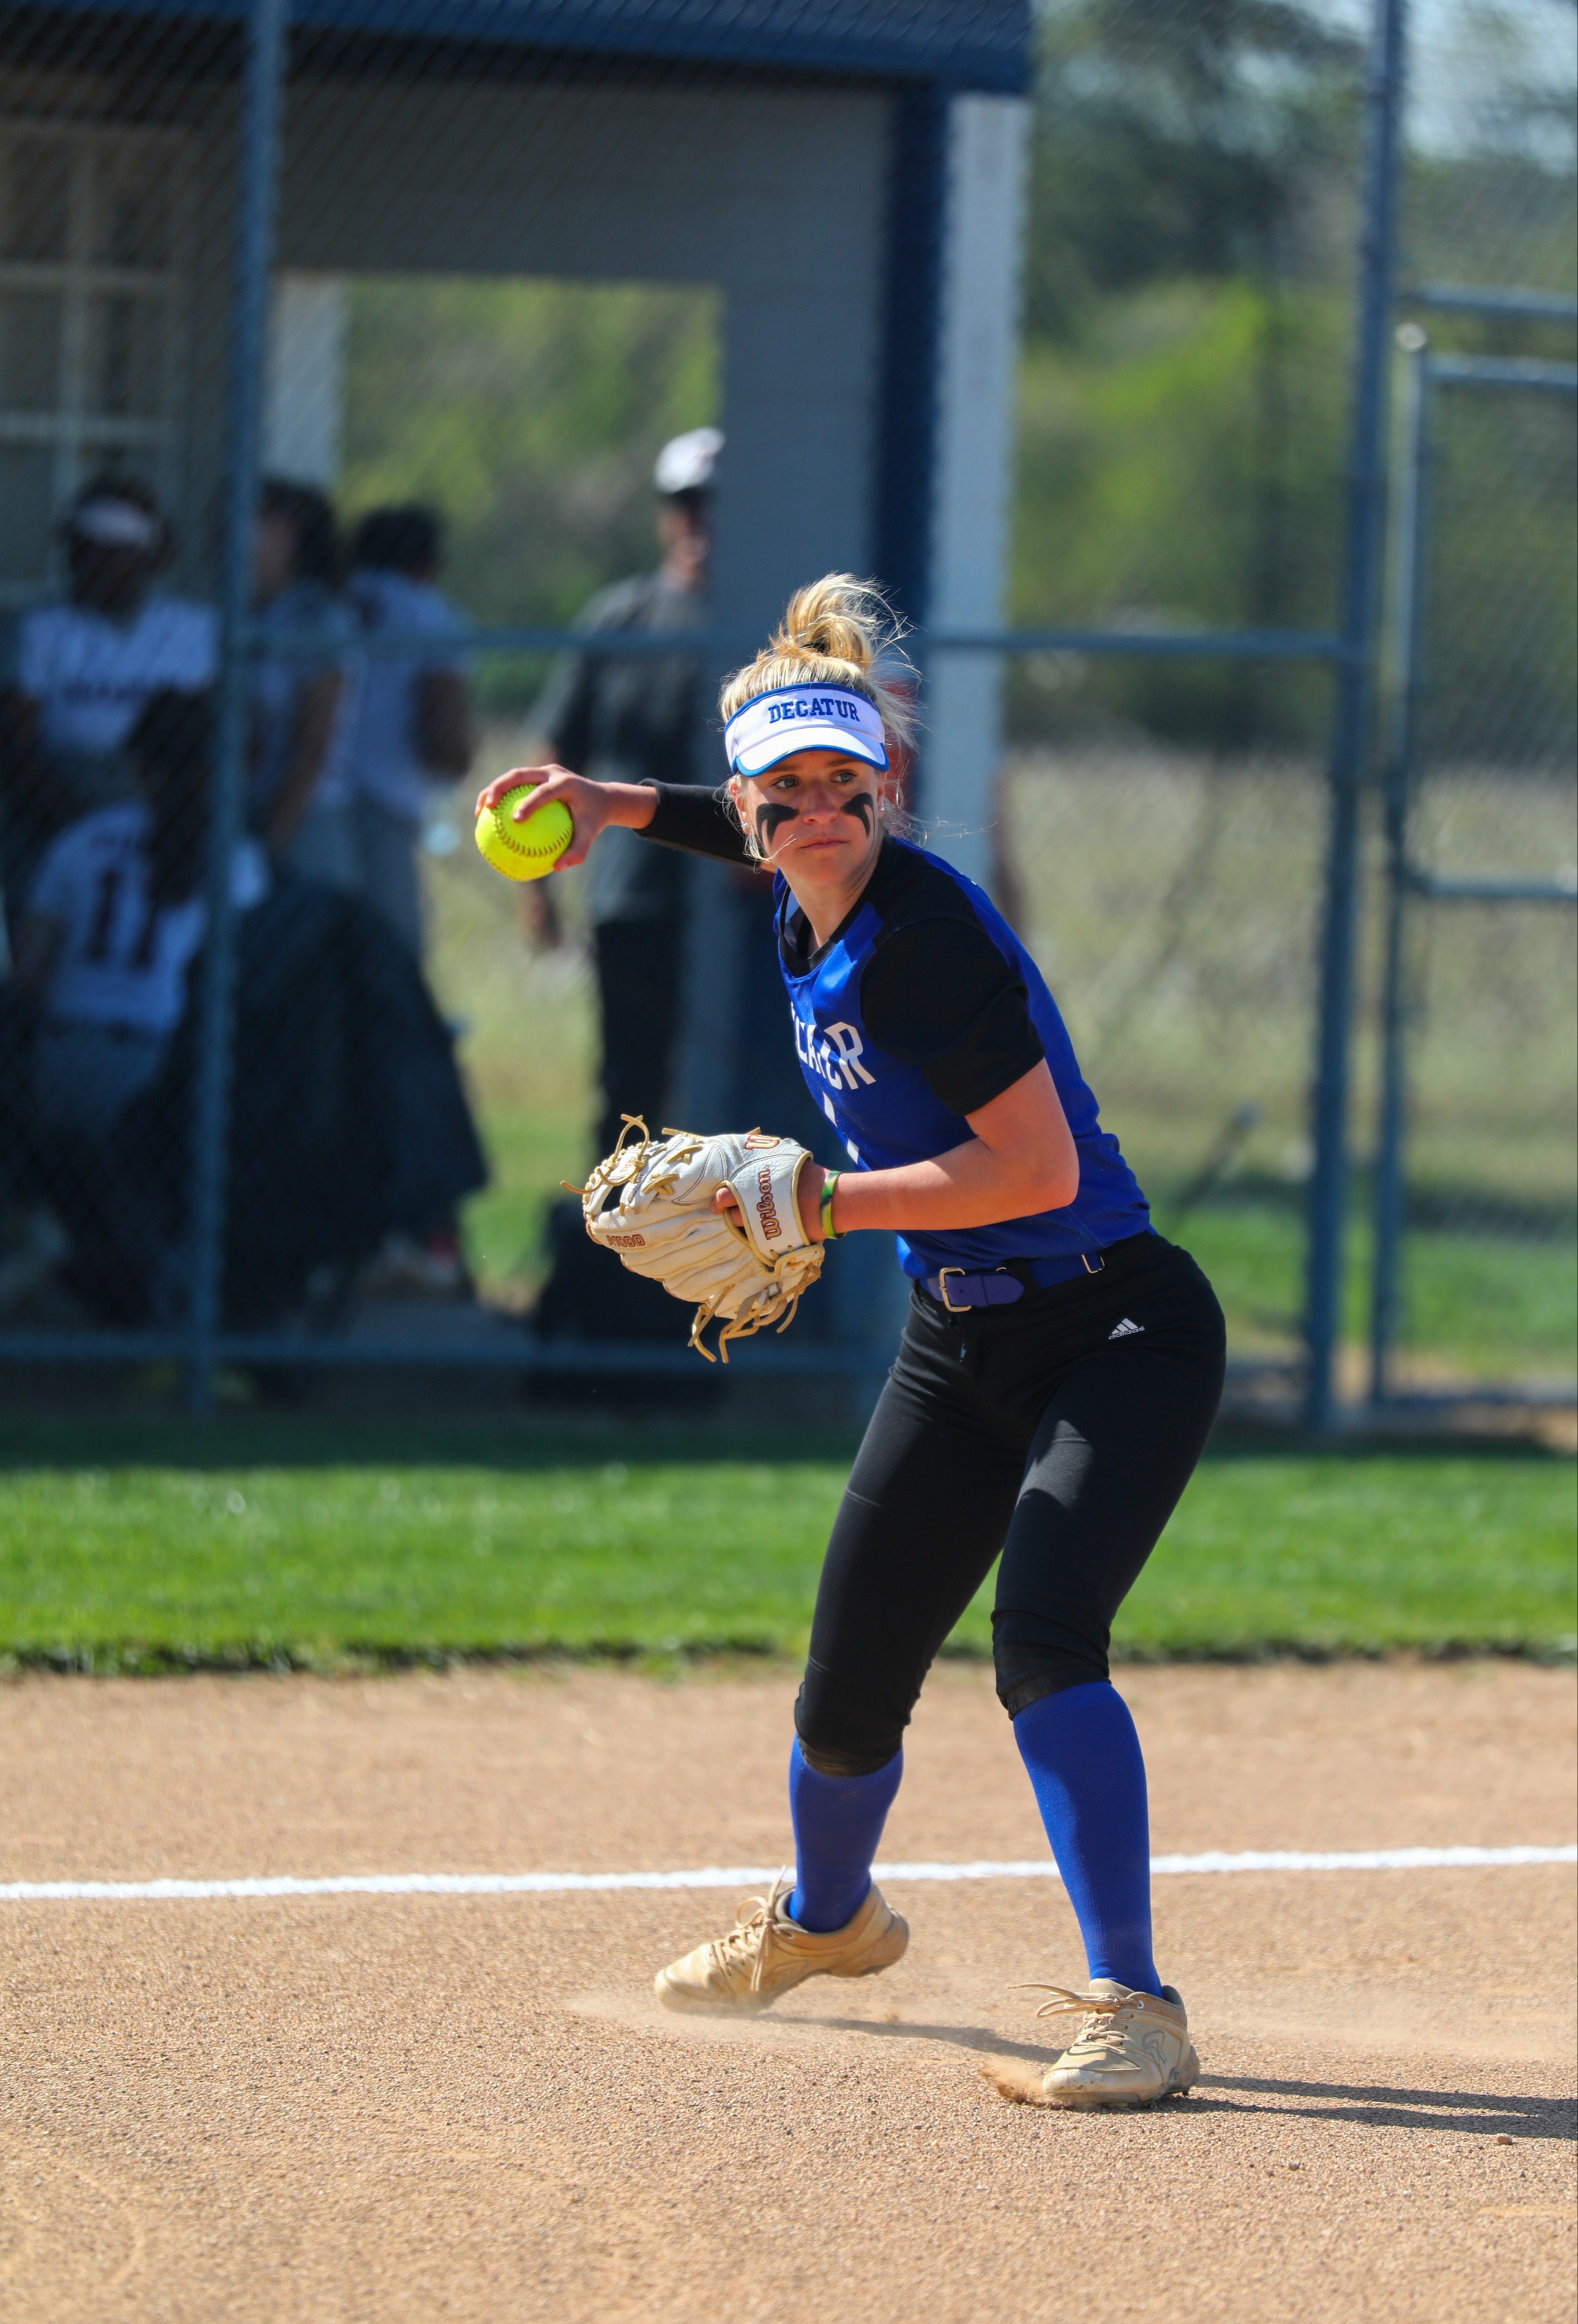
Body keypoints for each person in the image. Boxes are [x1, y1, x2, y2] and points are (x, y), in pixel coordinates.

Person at [476, 575, 1227, 2110]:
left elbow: (1038, 1176)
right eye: (787, 791)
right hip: (959, 1341)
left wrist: (814, 1201)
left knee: (1042, 1643)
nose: (818, 812)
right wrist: (611, 803)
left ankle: (1136, 2008)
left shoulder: (921, 940)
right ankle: (829, 1926)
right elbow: (733, 813)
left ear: (887, 792)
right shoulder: (798, 877)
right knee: (844, 1691)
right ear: (754, 816)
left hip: (1115, 1326)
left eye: (845, 785)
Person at [528, 426, 720, 1156]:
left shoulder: (772, 623)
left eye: (716, 502)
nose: (702, 519)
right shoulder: (621, 619)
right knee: (631, 1090)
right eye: (687, 503)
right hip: (634, 893)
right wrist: (538, 885)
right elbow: (559, 746)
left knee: (728, 1091)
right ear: (667, 514)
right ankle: (621, 1253)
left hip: (743, 898)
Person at [13, 689, 266, 1148]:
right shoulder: (235, 857)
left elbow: (29, 970)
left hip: (66, 1049)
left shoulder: (81, 838)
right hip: (161, 1062)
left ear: (136, 763)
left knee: (61, 1198)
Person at [0, 477, 217, 915]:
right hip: (64, 792)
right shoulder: (42, 628)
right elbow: (15, 745)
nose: (86, 569)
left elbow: (211, 737)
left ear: (142, 560)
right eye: (80, 554)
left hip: (164, 804)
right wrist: (78, 821)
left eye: (106, 557)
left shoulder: (192, 628)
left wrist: (163, 817)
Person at [343, 504, 474, 957]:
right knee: (390, 955)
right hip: (382, 803)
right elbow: (445, 734)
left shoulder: (329, 600)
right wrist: (456, 764)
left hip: (309, 800)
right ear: (428, 563)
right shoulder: (427, 612)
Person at [249, 479, 359, 887]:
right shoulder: (252, 611)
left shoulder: (315, 616)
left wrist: (268, 843)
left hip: (305, 818)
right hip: (250, 805)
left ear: (284, 531)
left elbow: (313, 747)